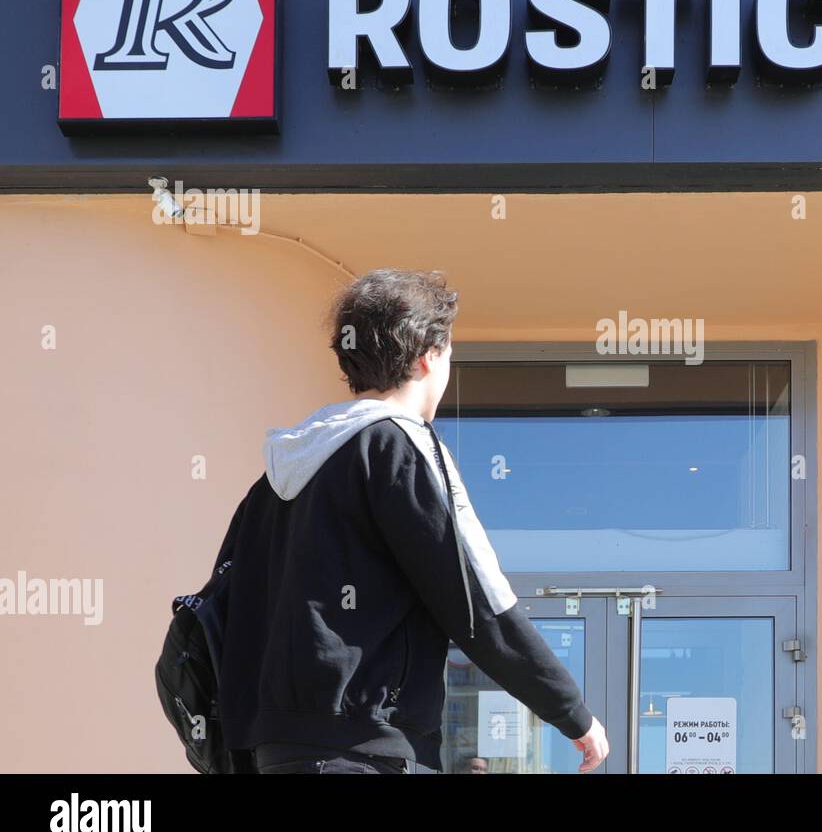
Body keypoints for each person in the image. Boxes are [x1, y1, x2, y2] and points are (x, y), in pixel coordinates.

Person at [213, 268, 609, 774]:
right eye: (448, 353)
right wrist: (571, 711)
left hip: (276, 757)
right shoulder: (399, 447)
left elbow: (232, 611)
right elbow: (475, 599)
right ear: (428, 355)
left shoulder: (277, 475)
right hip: (366, 752)